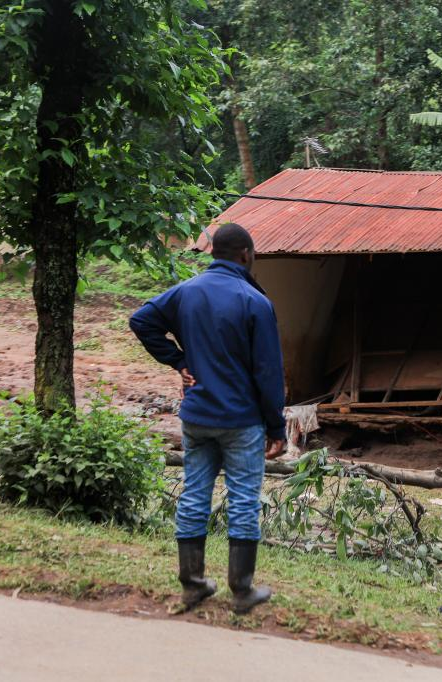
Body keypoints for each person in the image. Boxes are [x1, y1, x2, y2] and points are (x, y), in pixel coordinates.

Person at [130, 223, 286, 614]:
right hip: (241, 421)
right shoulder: (255, 302)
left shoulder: (186, 291)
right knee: (244, 499)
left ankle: (193, 584)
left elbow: (140, 320)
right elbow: (268, 373)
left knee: (196, 494)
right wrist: (276, 427)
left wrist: (179, 361)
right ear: (246, 255)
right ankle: (241, 589)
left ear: (213, 252)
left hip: (197, 416)